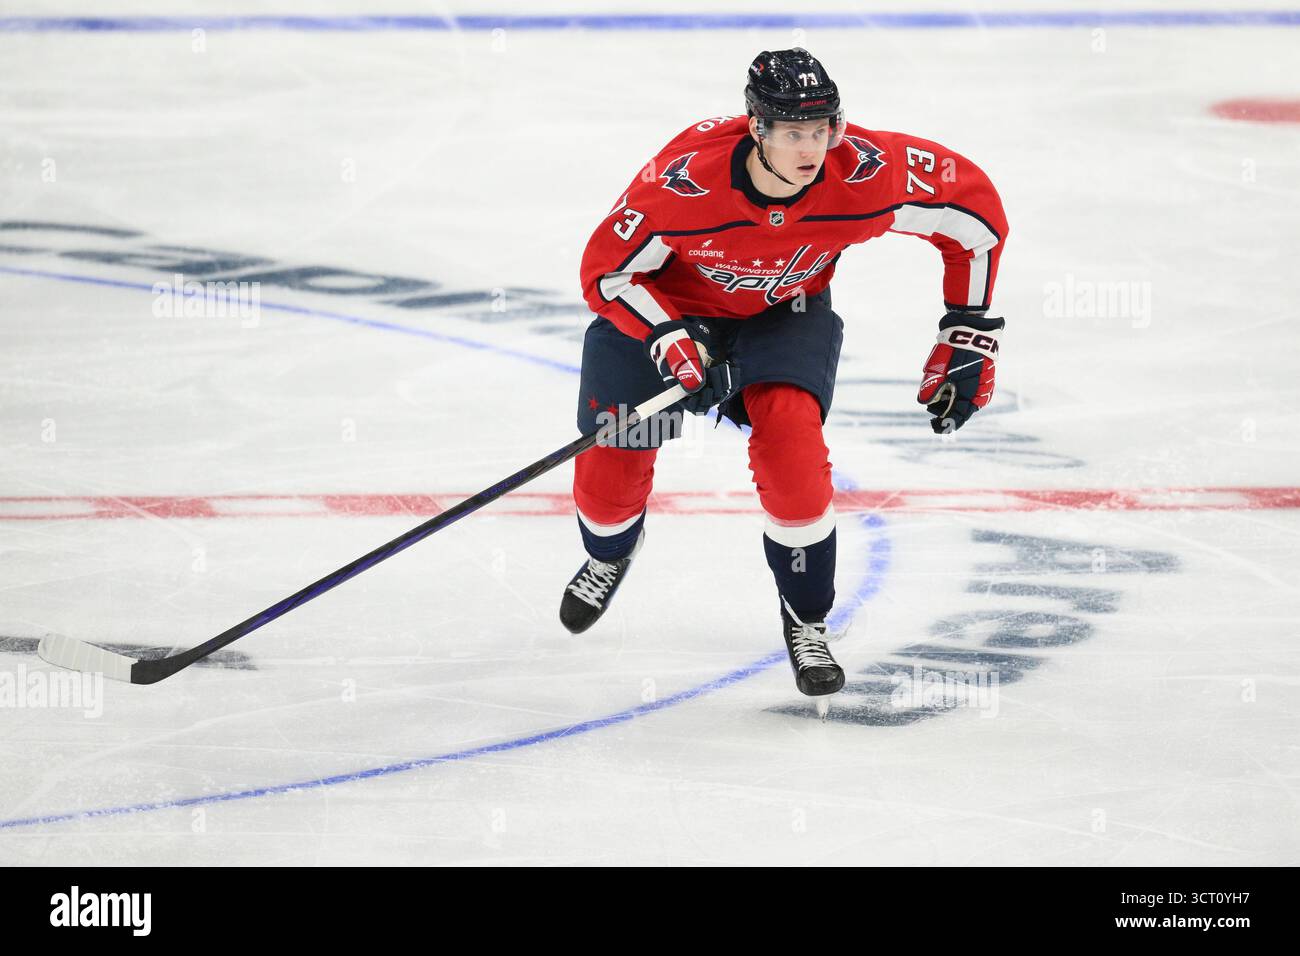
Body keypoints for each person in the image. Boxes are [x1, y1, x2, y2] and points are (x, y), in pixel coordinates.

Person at [559, 48, 1009, 699]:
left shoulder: (864, 173)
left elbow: (974, 216)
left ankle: (805, 617)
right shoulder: (680, 182)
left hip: (786, 312)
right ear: (756, 128)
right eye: (794, 133)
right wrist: (669, 339)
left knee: (793, 453)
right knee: (611, 461)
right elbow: (608, 270)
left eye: (821, 129)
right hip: (669, 308)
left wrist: (969, 329)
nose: (811, 148)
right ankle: (608, 554)